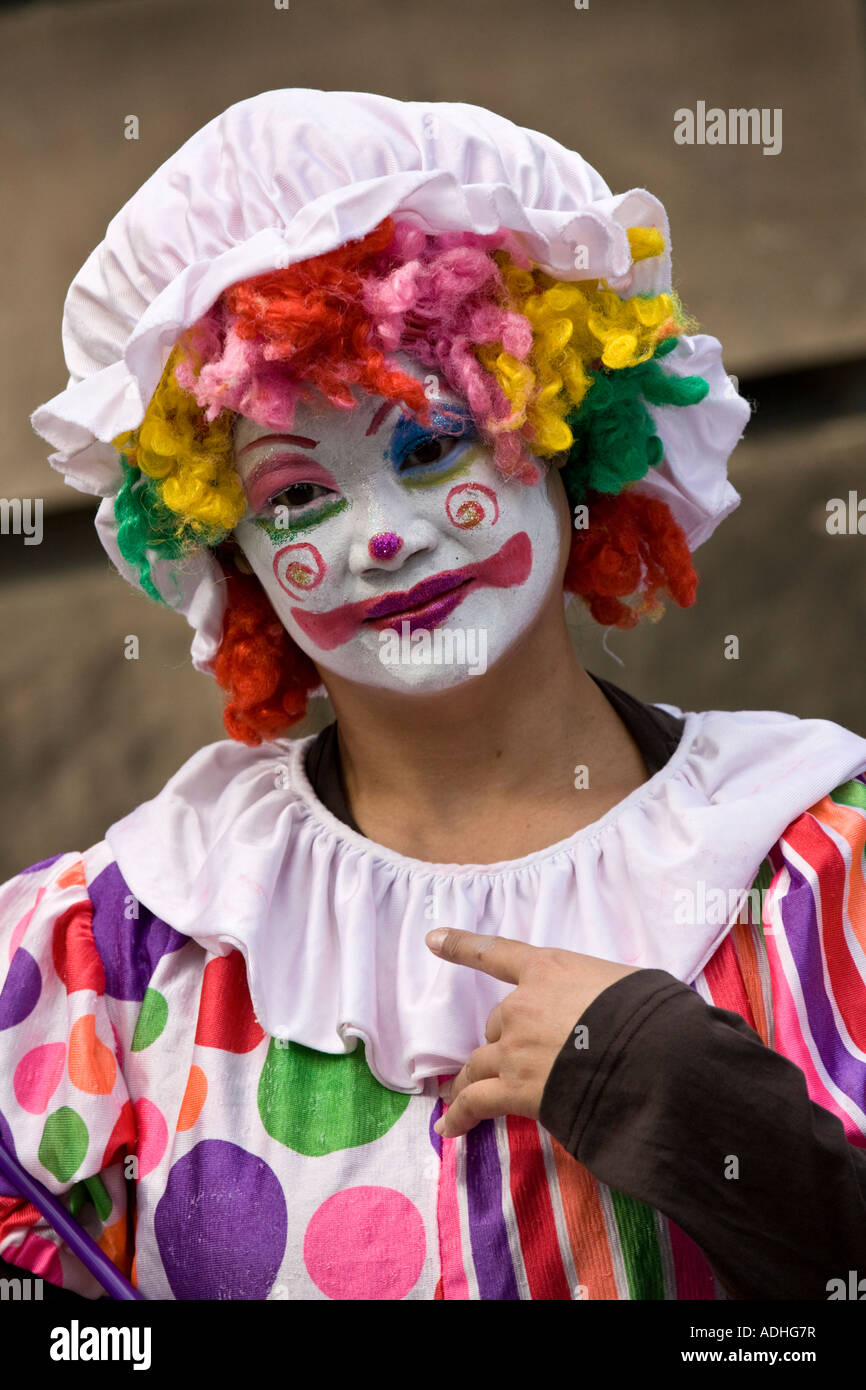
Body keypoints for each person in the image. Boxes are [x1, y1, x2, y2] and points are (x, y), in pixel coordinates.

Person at [1, 88, 865, 1302]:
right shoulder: (115, 952)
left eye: (430, 445)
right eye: (296, 495)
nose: (385, 539)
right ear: (226, 547)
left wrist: (706, 1111)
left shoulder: (825, 871)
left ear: (563, 436)